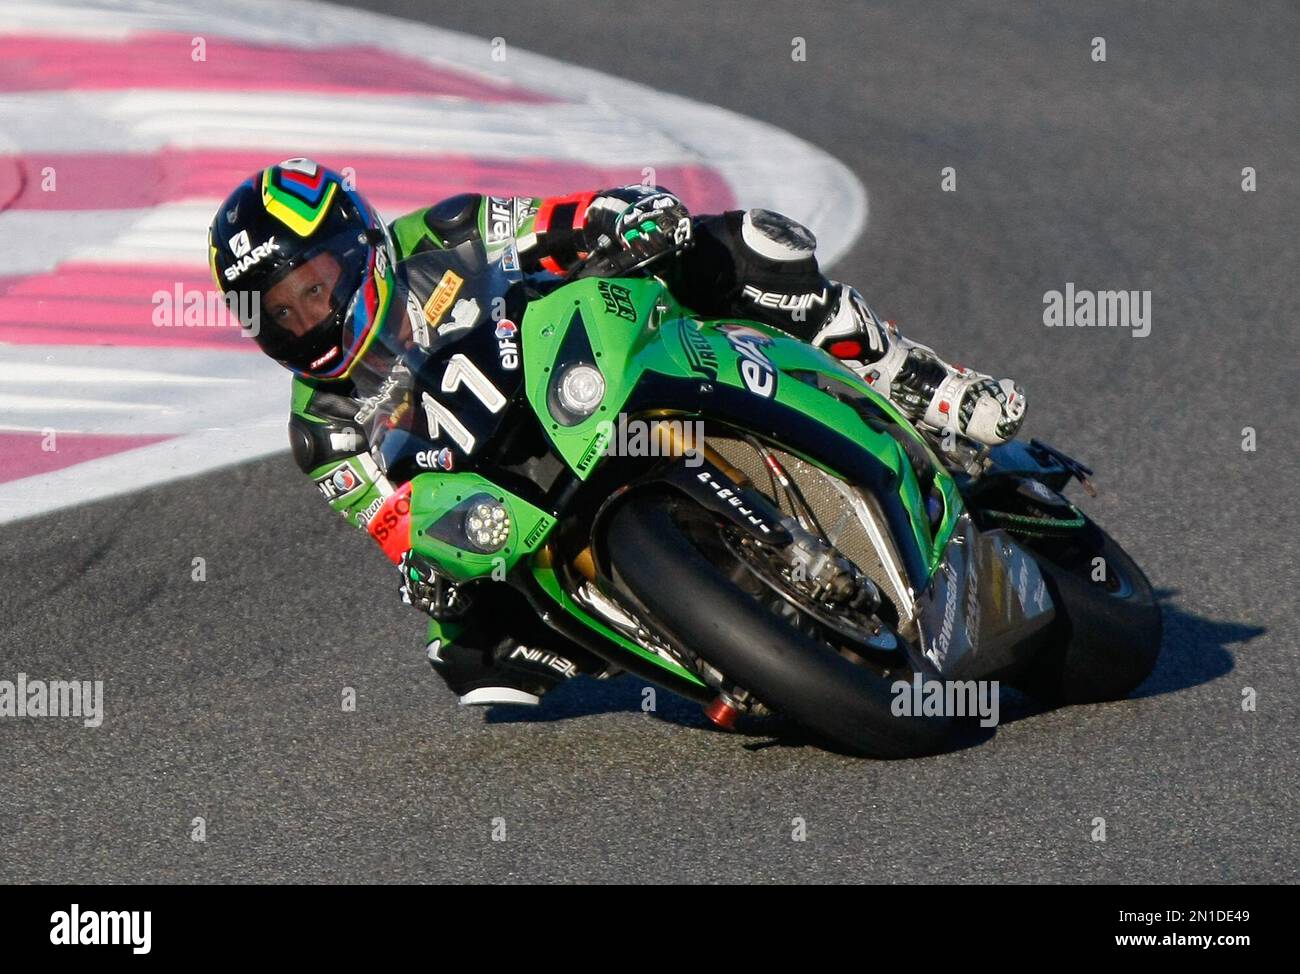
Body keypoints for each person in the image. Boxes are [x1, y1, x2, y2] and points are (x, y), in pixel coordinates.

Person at [208, 158, 1026, 705]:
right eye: (277, 313)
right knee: (464, 656)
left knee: (748, 246)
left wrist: (619, 217)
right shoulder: (323, 433)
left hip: (582, 366)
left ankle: (925, 387)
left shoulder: (444, 235)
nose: (304, 319)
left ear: (356, 247)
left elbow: (555, 221)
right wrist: (430, 570)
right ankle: (701, 656)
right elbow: (397, 522)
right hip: (518, 490)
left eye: (312, 288)